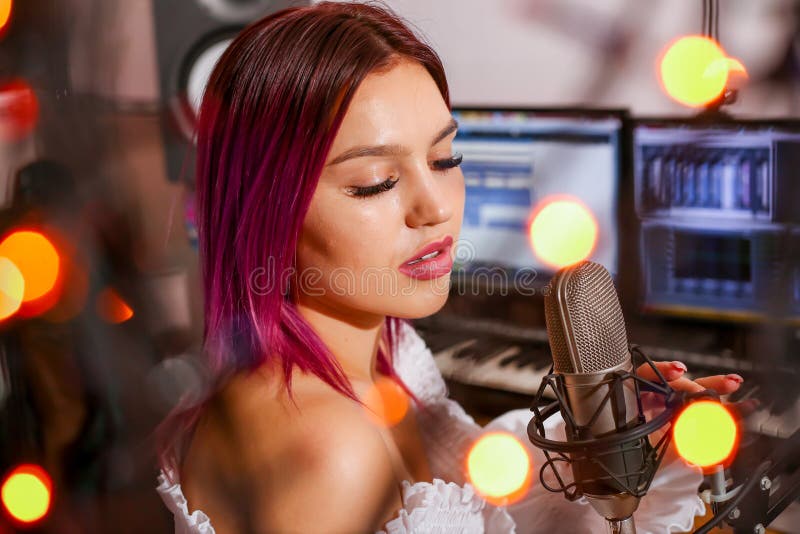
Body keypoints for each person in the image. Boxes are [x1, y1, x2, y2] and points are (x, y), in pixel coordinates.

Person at [154, 2, 746, 532]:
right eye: (375, 183)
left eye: (445, 157)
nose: (436, 207)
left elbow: (488, 494)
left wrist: (616, 447)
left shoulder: (389, 357)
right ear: (266, 210)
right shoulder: (328, 451)